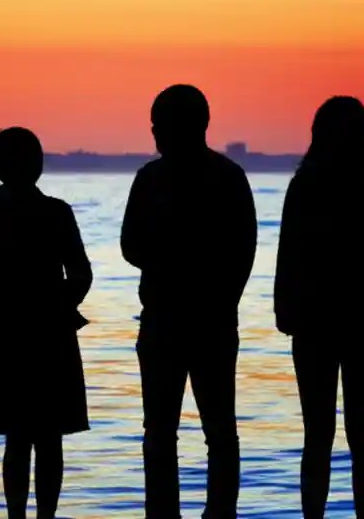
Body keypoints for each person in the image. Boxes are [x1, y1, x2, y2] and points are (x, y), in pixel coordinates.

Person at [121, 84, 258, 519]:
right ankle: (209, 513)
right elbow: (244, 251)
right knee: (208, 434)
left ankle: (181, 514)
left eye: (159, 125)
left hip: (184, 321)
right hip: (194, 321)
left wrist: (167, 259)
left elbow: (131, 246)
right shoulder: (224, 176)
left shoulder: (159, 179)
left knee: (171, 433)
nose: (155, 134)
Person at [274, 96, 364, 519]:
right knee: (362, 434)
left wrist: (285, 310)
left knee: (318, 434)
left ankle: (313, 515)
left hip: (314, 326)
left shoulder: (305, 187)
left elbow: (287, 256)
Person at [0, 127, 93, 519]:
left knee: (31, 438)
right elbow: (81, 275)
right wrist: (41, 306)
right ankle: (28, 516)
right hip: (28, 334)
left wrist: (7, 307)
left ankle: (26, 516)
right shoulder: (44, 212)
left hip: (28, 334)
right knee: (34, 438)